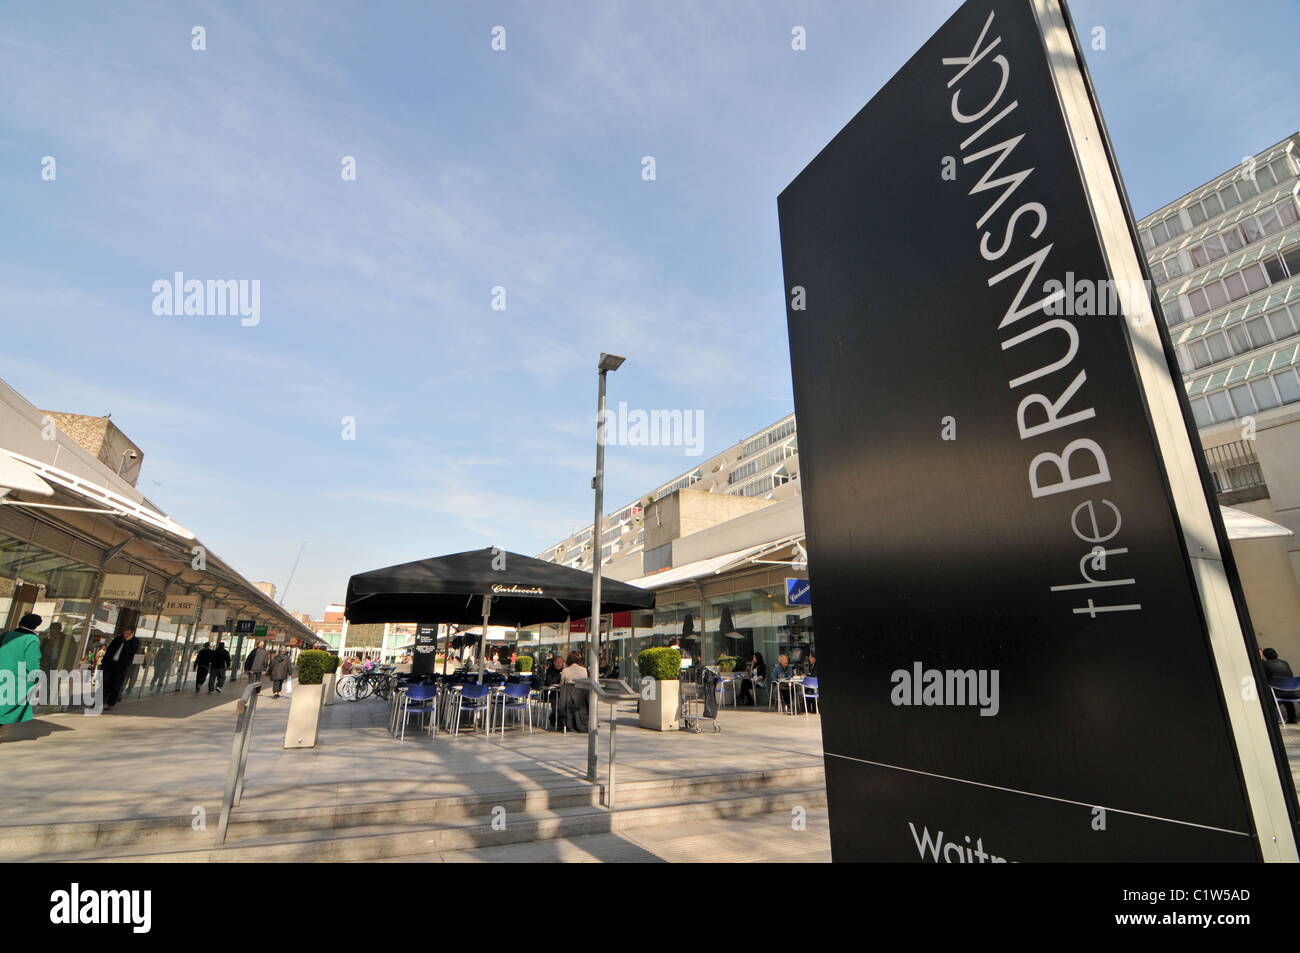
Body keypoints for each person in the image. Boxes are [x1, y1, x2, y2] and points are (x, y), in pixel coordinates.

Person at [1, 613, 43, 737]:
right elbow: (32, 663)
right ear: (35, 626)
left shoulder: (7, 635)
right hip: (16, 680)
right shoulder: (32, 639)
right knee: (6, 708)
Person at [100, 627, 141, 710]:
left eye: (128, 634)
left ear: (132, 634)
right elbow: (109, 650)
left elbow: (132, 652)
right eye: (125, 633)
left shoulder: (135, 642)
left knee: (116, 685)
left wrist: (128, 641)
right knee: (104, 682)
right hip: (110, 664)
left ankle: (110, 703)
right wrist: (104, 662)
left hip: (121, 666)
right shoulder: (118, 639)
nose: (126, 635)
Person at [1263, 648, 1297, 723]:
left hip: (1276, 693)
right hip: (1291, 692)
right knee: (1285, 692)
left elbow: (1264, 678)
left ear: (1265, 656)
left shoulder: (1264, 664)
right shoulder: (1285, 663)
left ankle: (1272, 718)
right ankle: (1292, 718)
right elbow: (1290, 675)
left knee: (1265, 695)